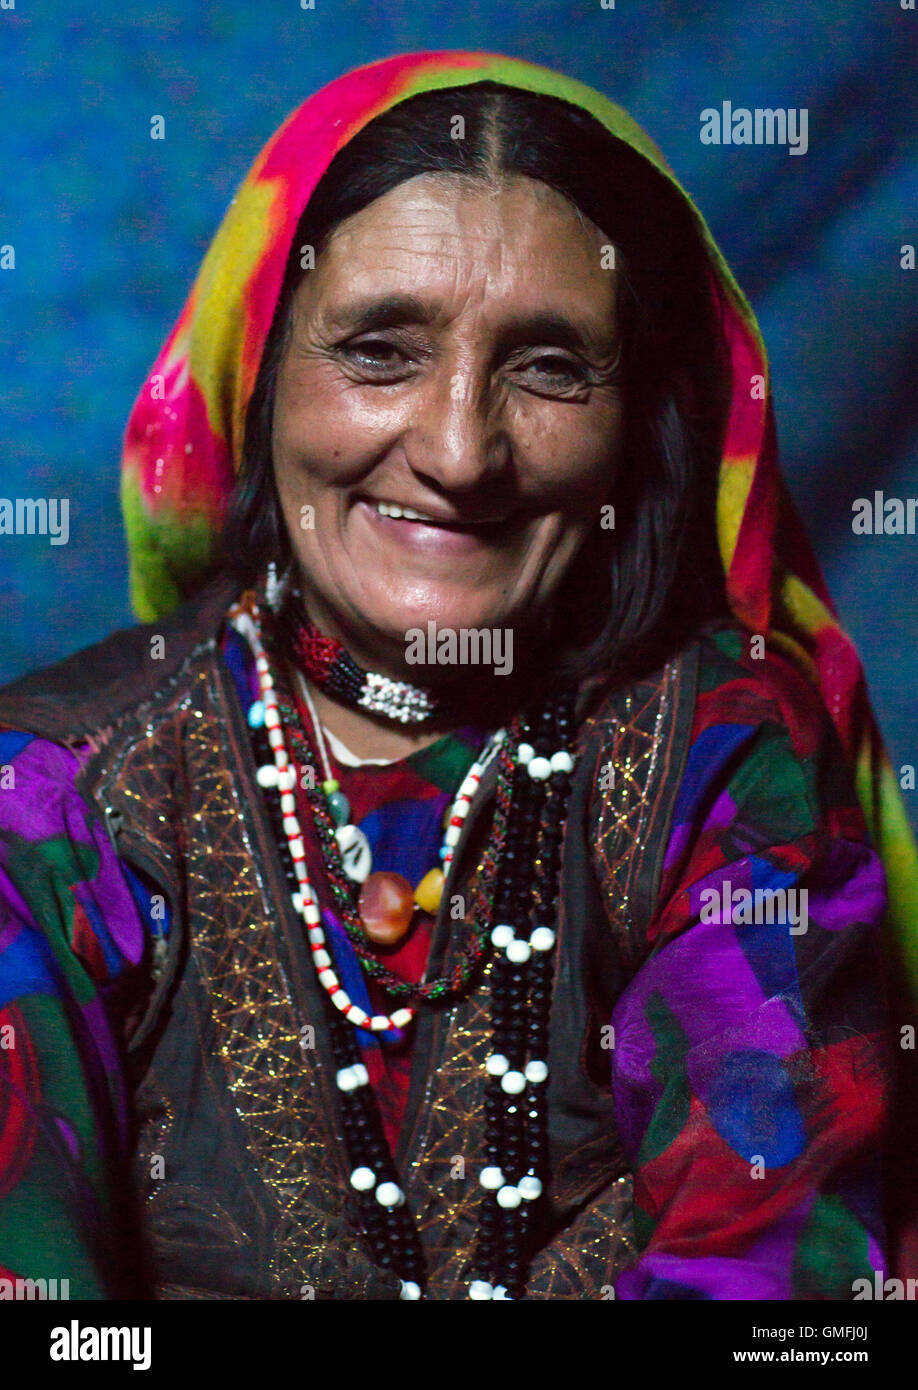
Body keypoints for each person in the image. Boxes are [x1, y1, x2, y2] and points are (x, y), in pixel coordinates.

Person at [0, 50, 914, 1302]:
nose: (458, 450)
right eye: (379, 351)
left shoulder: (723, 757)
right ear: (257, 390)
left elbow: (785, 1292)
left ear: (639, 427)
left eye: (549, 368)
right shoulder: (47, 802)